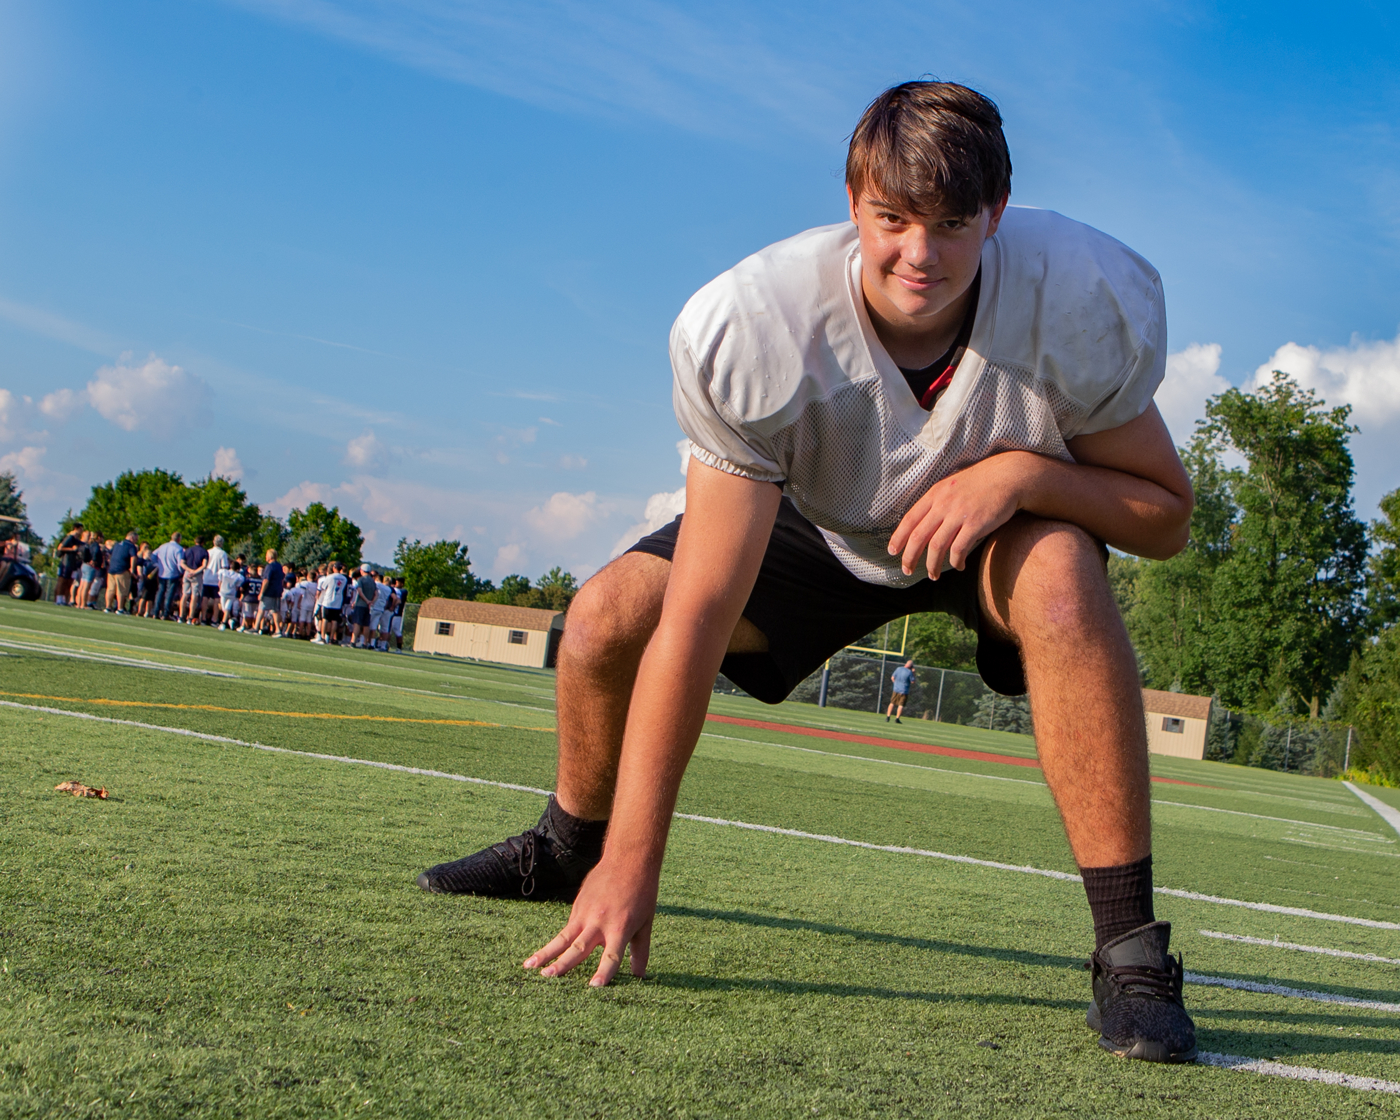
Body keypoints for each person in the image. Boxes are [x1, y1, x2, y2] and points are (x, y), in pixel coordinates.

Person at [418, 83, 1198, 1064]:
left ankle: (1128, 953)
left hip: (990, 535)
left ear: (996, 216)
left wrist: (1024, 473)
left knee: (1059, 581)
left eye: (953, 225)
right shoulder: (756, 325)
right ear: (852, 198)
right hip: (821, 528)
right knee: (609, 613)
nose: (919, 254)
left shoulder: (1074, 296)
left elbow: (1162, 515)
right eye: (893, 219)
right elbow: (699, 612)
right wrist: (633, 856)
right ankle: (569, 843)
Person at [254, 550, 286, 637]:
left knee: (261, 609)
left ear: (270, 556)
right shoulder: (279, 566)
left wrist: (261, 593)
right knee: (275, 611)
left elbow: (266, 580)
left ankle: (256, 628)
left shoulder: (269, 567)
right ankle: (278, 630)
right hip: (277, 591)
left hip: (269, 591)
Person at [153, 532, 185, 620]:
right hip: (172, 573)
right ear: (179, 539)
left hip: (162, 572)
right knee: (169, 594)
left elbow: (153, 555)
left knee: (160, 592)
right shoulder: (179, 549)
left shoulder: (162, 546)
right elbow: (180, 563)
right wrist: (181, 572)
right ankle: (165, 613)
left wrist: (157, 564)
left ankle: (155, 612)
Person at [105, 531, 139, 613]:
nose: (136, 541)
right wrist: (132, 569)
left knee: (110, 589)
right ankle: (120, 608)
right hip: (122, 570)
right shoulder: (131, 546)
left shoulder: (117, 544)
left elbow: (109, 554)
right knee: (122, 589)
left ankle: (108, 607)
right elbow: (133, 557)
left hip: (112, 569)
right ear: (132, 538)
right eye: (136, 539)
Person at [179, 536, 208, 623]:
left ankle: (181, 616)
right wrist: (194, 571)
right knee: (194, 596)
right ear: (203, 542)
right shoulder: (204, 551)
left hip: (187, 573)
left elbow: (182, 563)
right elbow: (204, 565)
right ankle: (190, 617)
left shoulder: (188, 550)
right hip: (197, 574)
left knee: (185, 594)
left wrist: (189, 570)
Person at [202, 535, 231, 624]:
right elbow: (224, 568)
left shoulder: (208, 551)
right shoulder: (222, 553)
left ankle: (203, 618)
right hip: (216, 580)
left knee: (205, 598)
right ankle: (214, 619)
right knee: (216, 600)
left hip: (206, 577)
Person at [54, 523, 83, 605]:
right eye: (80, 529)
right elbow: (60, 547)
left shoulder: (76, 539)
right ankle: (58, 599)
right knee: (62, 581)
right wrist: (71, 549)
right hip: (66, 562)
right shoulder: (69, 537)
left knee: (69, 582)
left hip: (73, 563)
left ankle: (64, 599)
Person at [217, 557, 246, 630]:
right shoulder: (239, 576)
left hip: (223, 592)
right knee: (226, 608)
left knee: (225, 608)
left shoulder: (223, 572)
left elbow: (220, 582)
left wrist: (220, 588)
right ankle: (230, 620)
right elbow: (237, 587)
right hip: (231, 593)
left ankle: (223, 623)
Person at [390, 577, 407, 652]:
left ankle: (399, 648)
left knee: (396, 630)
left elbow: (399, 599)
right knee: (389, 629)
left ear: (401, 584)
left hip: (397, 613)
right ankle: (385, 645)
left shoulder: (403, 591)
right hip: (393, 613)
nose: (395, 584)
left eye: (397, 583)